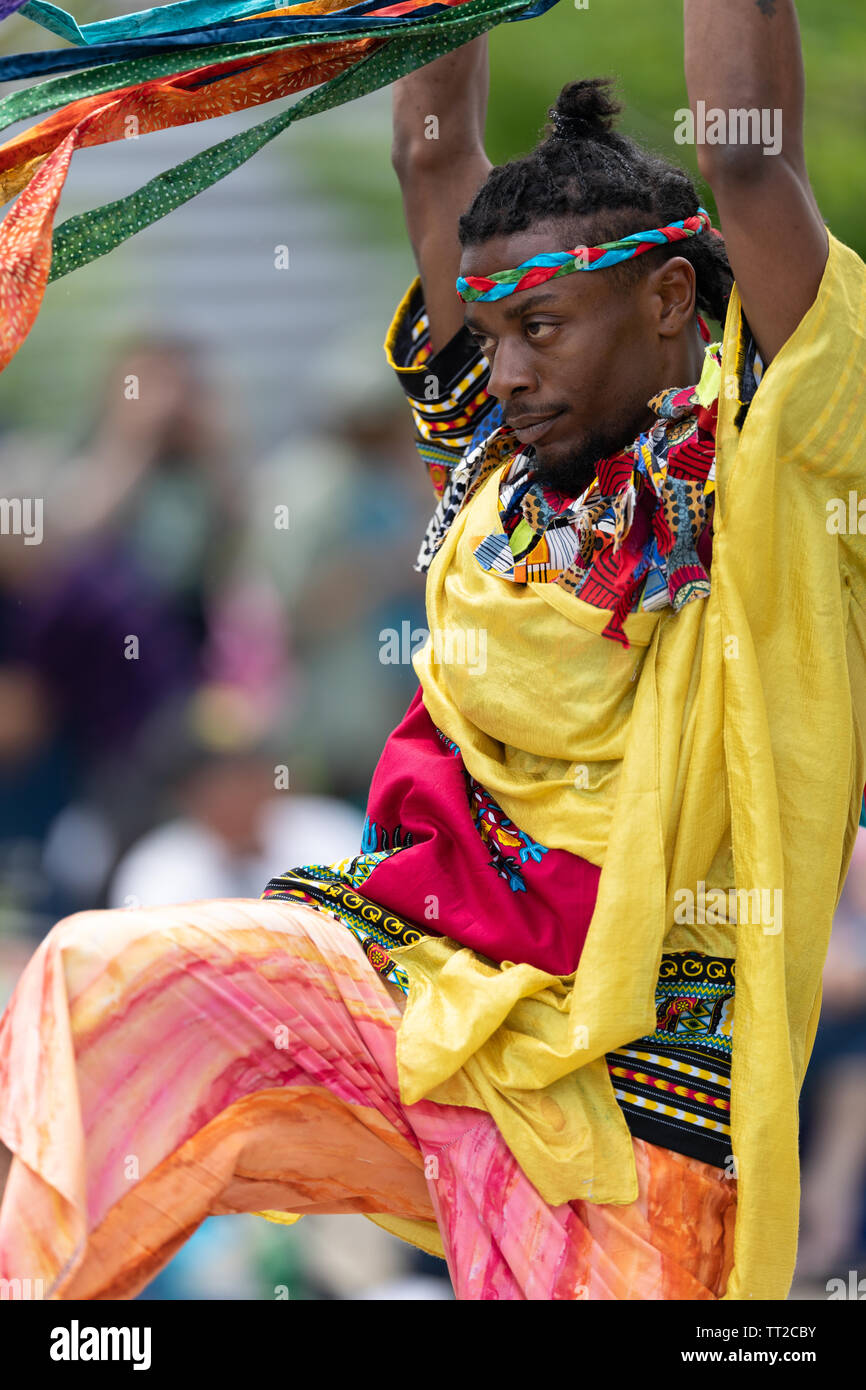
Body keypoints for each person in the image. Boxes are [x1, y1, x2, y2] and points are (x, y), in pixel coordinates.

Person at [1, 0, 864, 1302]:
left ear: (670, 296)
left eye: (546, 329)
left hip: (635, 1091)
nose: (504, 368)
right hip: (417, 992)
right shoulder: (492, 451)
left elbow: (747, 158)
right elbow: (430, 148)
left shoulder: (777, 455)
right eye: (495, 331)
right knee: (93, 982)